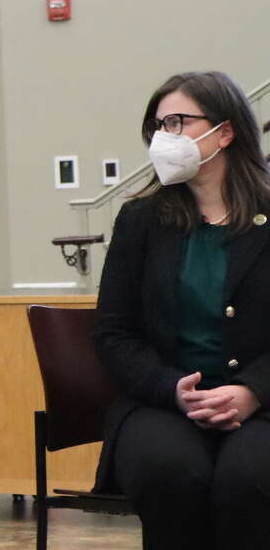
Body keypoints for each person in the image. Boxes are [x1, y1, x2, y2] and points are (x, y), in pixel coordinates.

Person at [94, 70, 270, 549]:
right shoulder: (140, 219)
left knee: (249, 479)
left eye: (177, 122)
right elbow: (113, 332)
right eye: (157, 127)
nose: (162, 139)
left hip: (264, 405)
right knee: (169, 472)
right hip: (162, 404)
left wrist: (253, 391)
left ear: (225, 132)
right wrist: (170, 389)